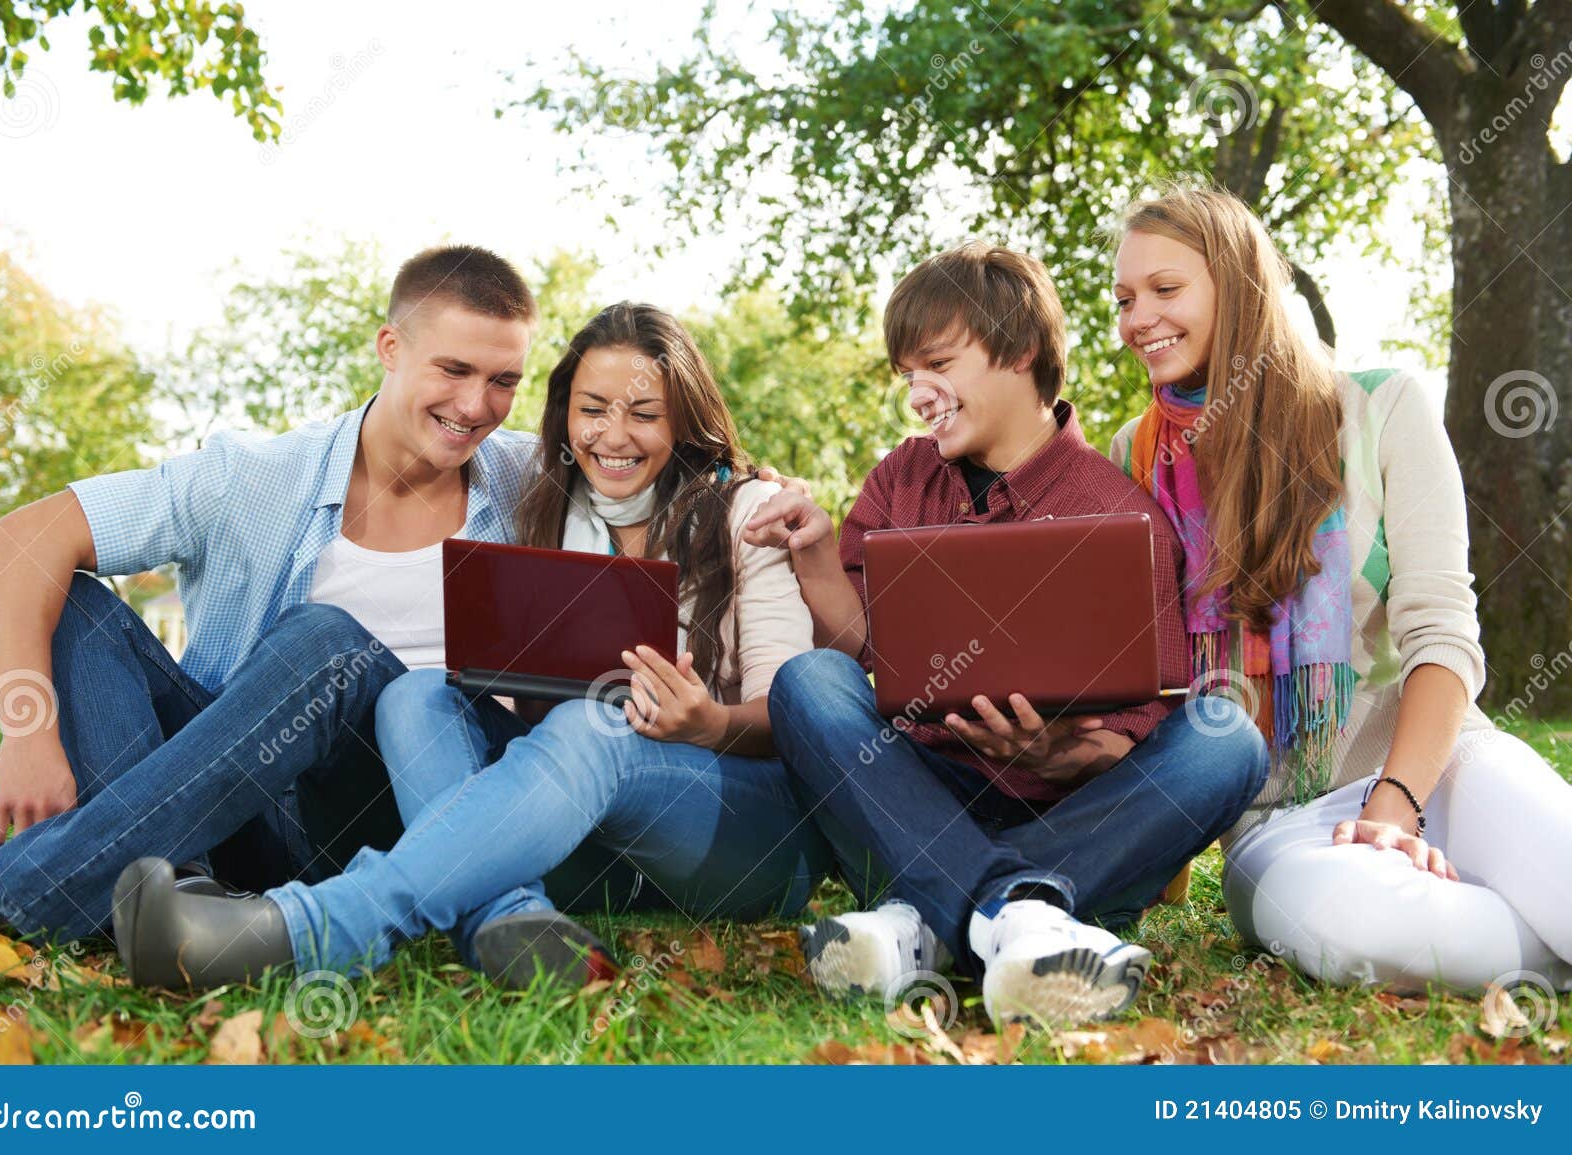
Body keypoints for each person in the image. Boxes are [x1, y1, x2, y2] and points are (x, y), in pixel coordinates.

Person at [109, 302, 835, 991]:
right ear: (564, 415)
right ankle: (509, 919)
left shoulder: (747, 514)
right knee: (416, 693)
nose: (613, 436)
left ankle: (306, 930)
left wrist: (708, 723)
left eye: (644, 414)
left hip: (738, 836)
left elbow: (787, 715)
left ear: (684, 421)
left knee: (595, 722)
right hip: (593, 842)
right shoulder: (549, 514)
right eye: (592, 410)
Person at [745, 242, 1270, 1024]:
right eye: (908, 375)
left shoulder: (1123, 517)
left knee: (1227, 741)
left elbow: (1137, 739)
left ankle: (921, 922)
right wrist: (816, 552)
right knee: (807, 681)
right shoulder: (900, 478)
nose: (919, 395)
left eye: (938, 365)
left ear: (1020, 351)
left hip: (1073, 817)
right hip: (918, 794)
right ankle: (1025, 916)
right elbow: (857, 651)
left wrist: (1055, 753)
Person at [0, 246, 541, 946]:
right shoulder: (253, 477)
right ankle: (178, 890)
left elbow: (652, 481)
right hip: (236, 809)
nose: (475, 406)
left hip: (398, 820)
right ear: (390, 347)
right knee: (78, 605)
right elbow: (21, 540)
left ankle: (21, 891)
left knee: (327, 644)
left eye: (503, 381)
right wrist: (27, 728)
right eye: (453, 370)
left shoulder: (536, 482)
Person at [1109, 183, 1572, 994]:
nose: (1137, 318)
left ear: (1238, 286)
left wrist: (1395, 802)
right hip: (1278, 828)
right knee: (1361, 926)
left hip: (1436, 768)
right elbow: (1141, 682)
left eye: (1165, 289)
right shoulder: (1133, 456)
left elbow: (1443, 634)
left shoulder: (1383, 407)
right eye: (1123, 299)